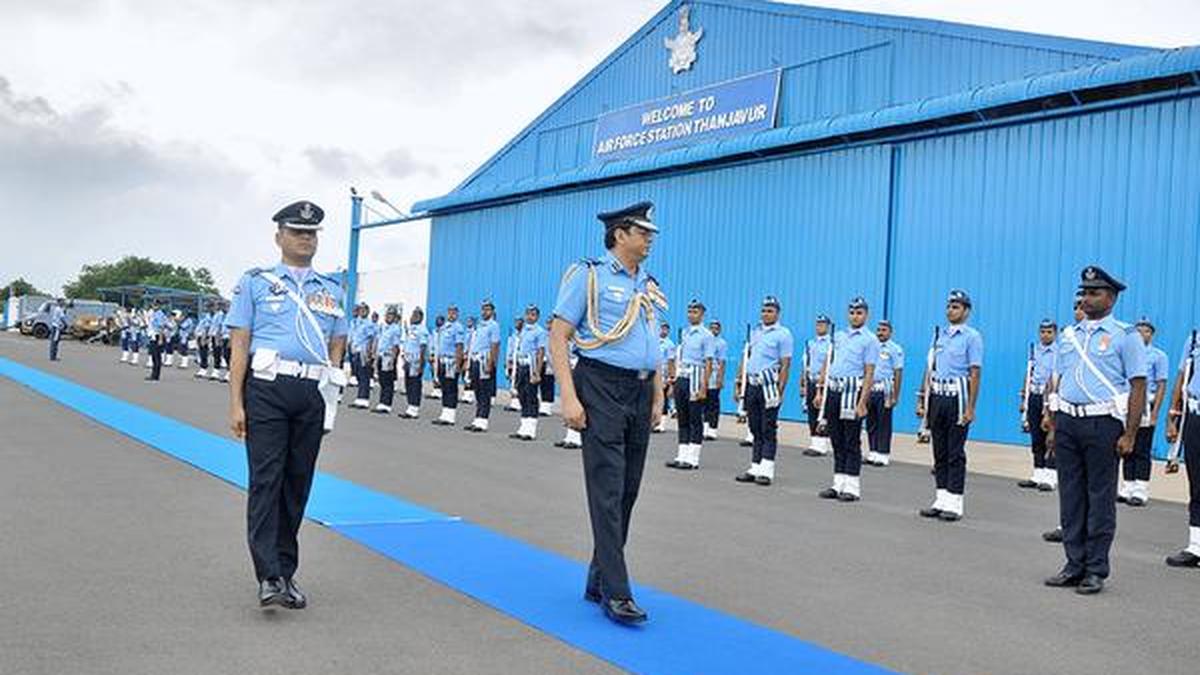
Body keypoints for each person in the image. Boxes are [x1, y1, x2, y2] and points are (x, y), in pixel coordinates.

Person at [225, 199, 348, 609]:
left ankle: (286, 571)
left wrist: (330, 395)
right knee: (267, 481)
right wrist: (236, 402)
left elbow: (337, 343)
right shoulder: (255, 282)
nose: (305, 238)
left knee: (297, 484)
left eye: (311, 233)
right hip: (267, 389)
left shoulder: (331, 290)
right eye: (297, 232)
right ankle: (269, 575)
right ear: (279, 236)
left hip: (310, 394)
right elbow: (239, 343)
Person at [549, 200, 666, 626]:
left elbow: (652, 344)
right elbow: (559, 335)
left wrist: (656, 396)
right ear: (620, 234)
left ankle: (599, 578)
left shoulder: (646, 283)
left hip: (638, 389)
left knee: (628, 489)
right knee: (607, 488)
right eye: (643, 231)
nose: (650, 237)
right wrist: (569, 396)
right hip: (599, 385)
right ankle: (617, 592)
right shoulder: (589, 275)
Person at [1042, 266, 1146, 595]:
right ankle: (1073, 564)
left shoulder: (1125, 335)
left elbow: (1138, 385)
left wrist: (1130, 433)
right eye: (1084, 292)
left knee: (1100, 497)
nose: (1086, 298)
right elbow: (1059, 380)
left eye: (1094, 292)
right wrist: (1053, 423)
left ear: (1111, 298)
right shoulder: (1069, 336)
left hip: (1103, 424)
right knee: (1070, 496)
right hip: (1069, 422)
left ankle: (1096, 569)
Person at [917, 289, 982, 522]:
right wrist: (922, 395)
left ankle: (955, 501)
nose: (950, 311)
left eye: (956, 307)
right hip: (938, 396)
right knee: (939, 450)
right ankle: (941, 498)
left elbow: (975, 372)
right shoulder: (939, 335)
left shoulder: (972, 337)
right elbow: (931, 367)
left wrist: (971, 407)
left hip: (958, 396)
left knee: (955, 451)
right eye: (949, 306)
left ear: (966, 311)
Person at [816, 297, 878, 501]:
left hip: (853, 391)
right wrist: (820, 389)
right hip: (834, 390)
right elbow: (829, 361)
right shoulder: (839, 336)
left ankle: (852, 486)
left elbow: (869, 372)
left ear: (866, 315)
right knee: (836, 438)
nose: (855, 316)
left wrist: (863, 401)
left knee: (851, 439)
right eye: (852, 312)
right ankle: (838, 482)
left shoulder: (870, 340)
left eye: (859, 312)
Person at [734, 296, 794, 487]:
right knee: (754, 427)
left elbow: (785, 365)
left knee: (768, 428)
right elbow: (747, 357)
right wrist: (739, 383)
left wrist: (780, 390)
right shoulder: (755, 331)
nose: (766, 314)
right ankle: (755, 466)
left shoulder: (783, 334)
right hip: (752, 384)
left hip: (769, 385)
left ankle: (767, 470)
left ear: (777, 313)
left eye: (770, 310)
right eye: (764, 310)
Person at [1044, 290, 1087, 544]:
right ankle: (1067, 525)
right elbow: (1056, 380)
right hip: (1067, 415)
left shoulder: (1115, 337)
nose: (1079, 310)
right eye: (1076, 306)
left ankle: (1086, 534)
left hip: (1095, 419)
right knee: (1069, 480)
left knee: (1091, 483)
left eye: (1082, 305)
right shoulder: (1067, 339)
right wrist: (1050, 416)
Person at [1117, 317, 1167, 506]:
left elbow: (1161, 385)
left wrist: (1155, 413)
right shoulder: (1127, 353)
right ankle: (1127, 486)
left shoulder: (1158, 356)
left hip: (1146, 404)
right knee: (1127, 445)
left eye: (1145, 331)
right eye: (1138, 331)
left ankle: (1141, 488)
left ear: (1151, 334)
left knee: (1142, 448)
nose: (1141, 334)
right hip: (1127, 404)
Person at [1164, 328, 1200, 567]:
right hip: (1195, 414)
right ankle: (1196, 546)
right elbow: (1182, 377)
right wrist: (1172, 416)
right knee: (1197, 482)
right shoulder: (1195, 338)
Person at [665, 299, 715, 470]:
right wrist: (674, 381)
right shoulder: (685, 333)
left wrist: (704, 386)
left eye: (695, 311)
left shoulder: (706, 335)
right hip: (682, 376)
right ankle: (682, 455)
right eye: (689, 311)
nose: (691, 314)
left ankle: (693, 459)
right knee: (683, 418)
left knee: (695, 419)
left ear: (702, 314)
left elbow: (709, 362)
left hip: (696, 377)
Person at [1018, 320, 1058, 491]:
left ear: (1055, 333)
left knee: (1051, 436)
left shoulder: (1059, 351)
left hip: (1049, 396)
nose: (1045, 335)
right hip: (1034, 394)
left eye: (1049, 332)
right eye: (1042, 331)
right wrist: (1023, 397)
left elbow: (1057, 376)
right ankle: (1038, 472)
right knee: (1036, 436)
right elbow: (1029, 373)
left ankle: (1051, 475)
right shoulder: (1035, 350)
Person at [865, 320, 904, 467]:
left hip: (885, 389)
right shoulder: (871, 347)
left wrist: (896, 395)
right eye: (879, 330)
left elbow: (898, 372)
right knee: (871, 422)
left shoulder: (895, 349)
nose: (880, 333)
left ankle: (883, 454)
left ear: (890, 332)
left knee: (884, 423)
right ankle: (873, 452)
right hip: (871, 388)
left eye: (884, 330)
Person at [509, 304, 547, 440]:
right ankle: (523, 426)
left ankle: (531, 428)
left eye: (533, 314)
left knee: (531, 396)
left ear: (537, 317)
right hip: (521, 364)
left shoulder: (540, 331)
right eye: (528, 314)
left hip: (531, 365)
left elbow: (540, 351)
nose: (529, 317)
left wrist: (537, 371)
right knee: (522, 394)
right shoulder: (523, 331)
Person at [465, 300, 501, 432]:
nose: (485, 311)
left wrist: (491, 364)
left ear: (492, 311)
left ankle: (483, 420)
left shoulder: (494, 325)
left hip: (485, 359)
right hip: (475, 358)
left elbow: (495, 345)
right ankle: (477, 418)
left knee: (485, 391)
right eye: (483, 309)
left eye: (488, 309)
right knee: (477, 389)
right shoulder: (479, 325)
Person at [802, 315, 833, 457]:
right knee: (811, 411)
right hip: (811, 380)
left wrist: (823, 381)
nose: (820, 326)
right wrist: (803, 381)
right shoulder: (810, 343)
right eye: (818, 324)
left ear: (828, 326)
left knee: (823, 412)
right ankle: (814, 442)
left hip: (824, 381)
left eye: (823, 324)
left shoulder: (831, 343)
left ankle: (822, 445)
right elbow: (806, 363)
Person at [431, 305, 467, 426]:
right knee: (444, 387)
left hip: (451, 361)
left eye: (454, 312)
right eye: (450, 312)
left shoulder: (458, 327)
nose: (451, 314)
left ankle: (450, 415)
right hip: (442, 360)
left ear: (457, 314)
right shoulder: (444, 327)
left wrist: (458, 364)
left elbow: (459, 346)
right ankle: (445, 412)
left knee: (451, 387)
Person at [399, 307, 429, 419]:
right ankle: (410, 406)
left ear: (421, 317)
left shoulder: (422, 330)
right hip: (408, 360)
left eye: (416, 315)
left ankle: (414, 408)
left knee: (415, 384)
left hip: (416, 361)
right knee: (408, 384)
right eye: (413, 314)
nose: (413, 317)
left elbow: (423, 347)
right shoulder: (411, 329)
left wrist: (421, 364)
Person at [348, 303, 378, 408]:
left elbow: (371, 339)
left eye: (364, 310)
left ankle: (364, 399)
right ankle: (359, 397)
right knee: (359, 375)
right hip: (356, 350)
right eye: (361, 310)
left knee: (364, 375)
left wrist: (370, 353)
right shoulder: (357, 322)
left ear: (367, 312)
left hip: (364, 351)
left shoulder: (368, 324)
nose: (362, 312)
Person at [374, 306, 402, 413]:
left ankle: (386, 404)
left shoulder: (395, 329)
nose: (388, 317)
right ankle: (382, 402)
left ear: (394, 317)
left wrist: (393, 360)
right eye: (387, 315)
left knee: (388, 381)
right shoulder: (384, 327)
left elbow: (396, 346)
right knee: (382, 380)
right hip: (381, 355)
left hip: (388, 357)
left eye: (391, 315)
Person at [703, 319, 727, 440]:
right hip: (703, 373)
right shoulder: (705, 341)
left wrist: (720, 378)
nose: (714, 330)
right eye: (711, 327)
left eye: (716, 328)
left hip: (714, 374)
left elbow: (722, 362)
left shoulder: (721, 343)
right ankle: (705, 428)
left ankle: (713, 429)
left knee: (713, 403)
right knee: (704, 402)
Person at [655, 323, 676, 432]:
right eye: (662, 328)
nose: (664, 331)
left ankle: (661, 424)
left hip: (663, 374)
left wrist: (671, 378)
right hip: (653, 373)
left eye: (666, 329)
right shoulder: (654, 341)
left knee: (663, 398)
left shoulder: (670, 344)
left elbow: (671, 362)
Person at [146, 301, 169, 381]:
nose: (154, 306)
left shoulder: (159, 314)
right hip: (153, 336)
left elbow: (161, 327)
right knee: (154, 356)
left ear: (159, 306)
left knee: (156, 357)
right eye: (153, 304)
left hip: (158, 336)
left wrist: (160, 339)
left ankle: (155, 375)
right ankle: (154, 374)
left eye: (156, 305)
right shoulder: (154, 314)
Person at [539, 317, 557, 416]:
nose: (548, 325)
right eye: (547, 323)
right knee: (542, 384)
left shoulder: (556, 336)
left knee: (548, 384)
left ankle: (547, 407)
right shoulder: (543, 334)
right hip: (542, 362)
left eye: (550, 323)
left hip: (551, 362)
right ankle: (543, 405)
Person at [505, 316, 524, 411]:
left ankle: (519, 403)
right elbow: (510, 349)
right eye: (515, 321)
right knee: (512, 380)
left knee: (519, 382)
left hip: (521, 361)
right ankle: (514, 403)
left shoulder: (525, 334)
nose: (517, 323)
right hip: (513, 361)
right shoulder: (514, 335)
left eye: (519, 321)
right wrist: (508, 361)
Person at [194, 303, 213, 378]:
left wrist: (204, 338)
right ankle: (203, 368)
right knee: (202, 352)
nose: (206, 308)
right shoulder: (205, 315)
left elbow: (207, 327)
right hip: (200, 335)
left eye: (208, 306)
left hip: (205, 336)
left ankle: (204, 369)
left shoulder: (211, 316)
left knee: (204, 352)